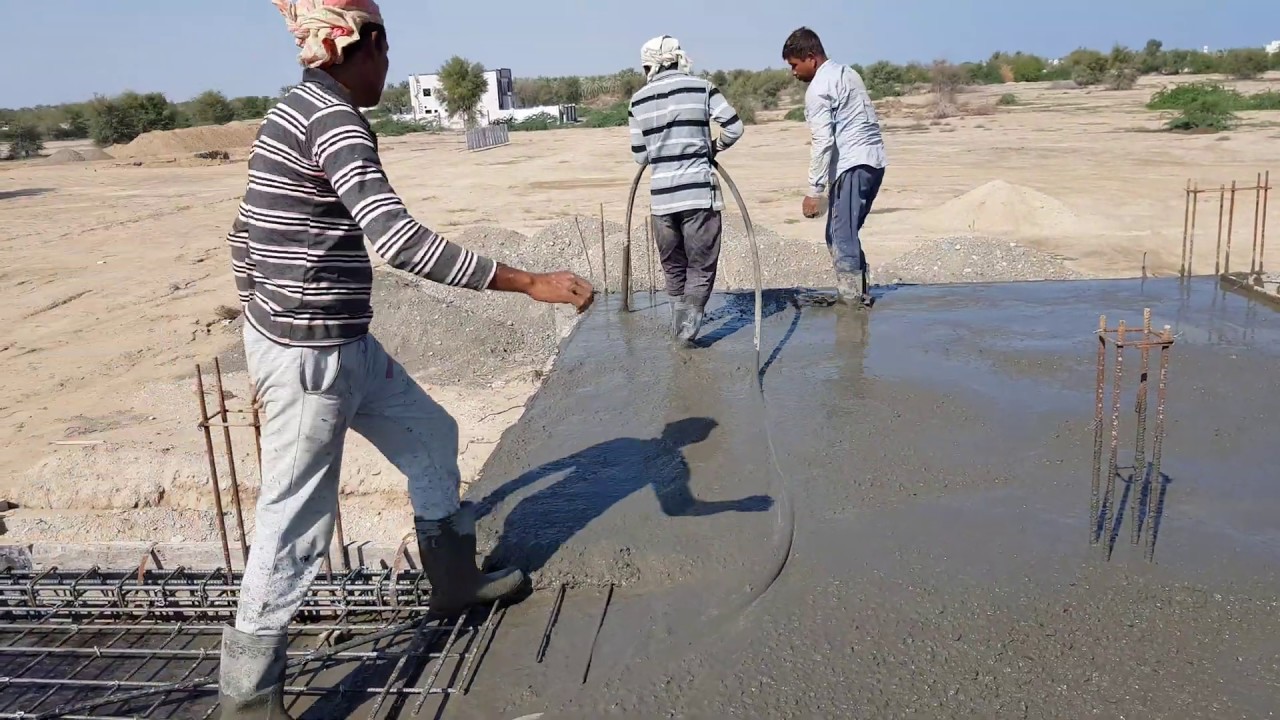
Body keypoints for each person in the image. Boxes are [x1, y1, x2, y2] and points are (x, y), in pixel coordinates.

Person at [218, 1, 594, 717]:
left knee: (433, 437)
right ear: (368, 45)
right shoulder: (331, 119)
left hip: (342, 342)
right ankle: (246, 702)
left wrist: (263, 312)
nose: (389, 71)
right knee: (295, 521)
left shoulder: (294, 109)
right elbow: (398, 241)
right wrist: (530, 283)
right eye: (388, 55)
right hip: (310, 358)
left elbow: (244, 233)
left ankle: (452, 580)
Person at [629, 35, 744, 344]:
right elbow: (734, 127)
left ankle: (680, 331)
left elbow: (641, 155)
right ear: (678, 58)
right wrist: (712, 148)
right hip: (698, 196)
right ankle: (685, 335)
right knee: (701, 266)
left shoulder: (637, 100)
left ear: (649, 66)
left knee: (673, 267)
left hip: (662, 202)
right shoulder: (702, 88)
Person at [782, 27, 887, 307]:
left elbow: (822, 141)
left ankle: (851, 306)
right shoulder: (848, 73)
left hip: (853, 164)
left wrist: (814, 191)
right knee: (844, 233)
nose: (793, 72)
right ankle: (860, 293)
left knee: (841, 236)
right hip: (874, 162)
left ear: (811, 57)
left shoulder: (818, 89)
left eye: (794, 65)